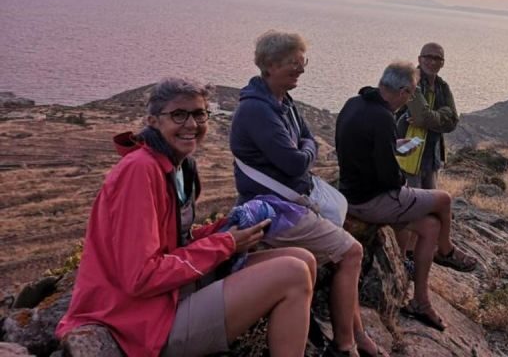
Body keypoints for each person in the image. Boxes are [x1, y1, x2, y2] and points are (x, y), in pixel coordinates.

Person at [56, 78, 314, 357]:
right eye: (178, 114)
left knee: (304, 259)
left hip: (170, 296)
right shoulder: (139, 171)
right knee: (292, 274)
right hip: (136, 321)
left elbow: (174, 245)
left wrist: (227, 227)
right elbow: (140, 277)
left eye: (199, 113)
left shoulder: (177, 165)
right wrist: (225, 244)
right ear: (153, 121)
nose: (191, 124)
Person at [230, 30, 383, 357]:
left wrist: (305, 148)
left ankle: (357, 334)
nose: (301, 70)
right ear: (269, 65)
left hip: (291, 202)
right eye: (293, 64)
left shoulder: (283, 100)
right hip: (277, 211)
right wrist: (305, 150)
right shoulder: (257, 110)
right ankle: (346, 345)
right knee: (352, 252)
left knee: (345, 251)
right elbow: (294, 161)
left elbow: (307, 139)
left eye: (303, 63)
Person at [336, 61, 477, 333]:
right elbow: (390, 178)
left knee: (431, 226)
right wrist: (401, 176)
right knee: (444, 199)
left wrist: (390, 147)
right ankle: (446, 250)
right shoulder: (383, 117)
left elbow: (357, 148)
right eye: (410, 94)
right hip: (371, 201)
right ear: (402, 91)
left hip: (351, 193)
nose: (410, 99)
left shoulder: (354, 103)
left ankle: (420, 302)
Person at [395, 42, 458, 189]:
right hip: (408, 157)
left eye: (438, 58)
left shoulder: (442, 87)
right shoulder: (410, 82)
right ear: (419, 59)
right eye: (428, 57)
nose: (432, 62)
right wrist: (443, 114)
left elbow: (453, 121)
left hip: (432, 158)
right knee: (413, 205)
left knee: (431, 204)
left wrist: (430, 118)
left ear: (442, 63)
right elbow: (421, 116)